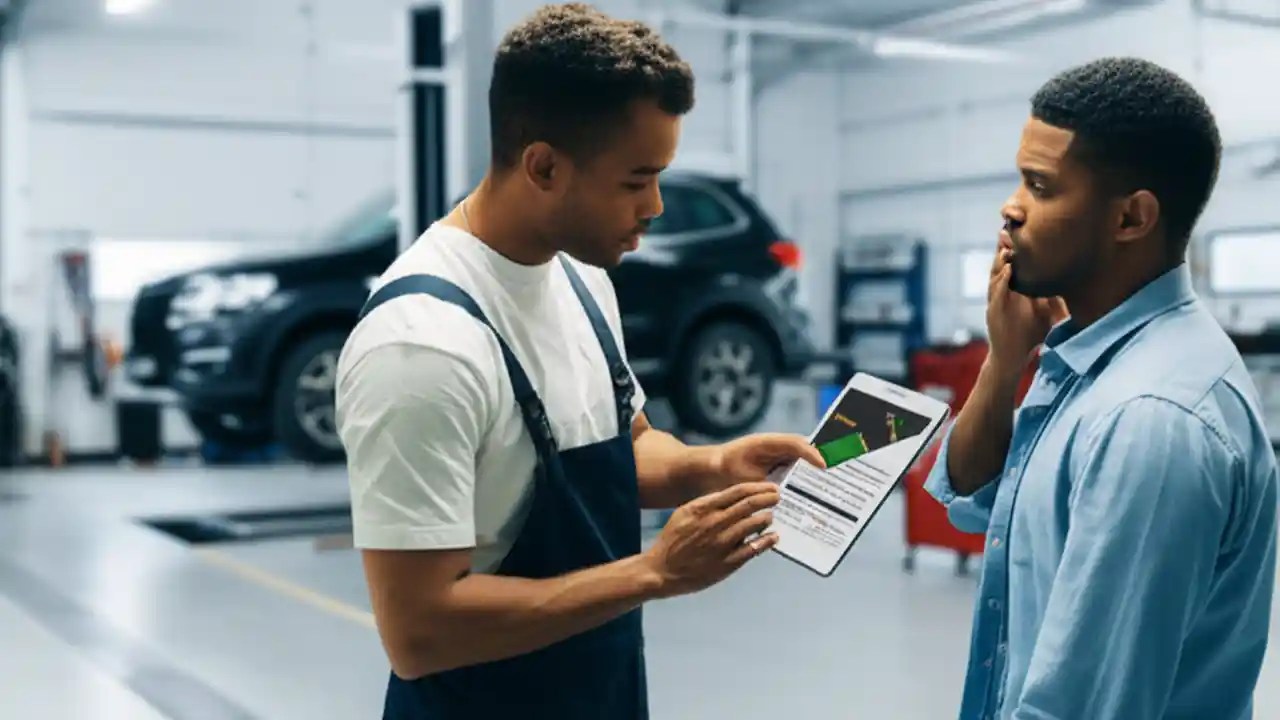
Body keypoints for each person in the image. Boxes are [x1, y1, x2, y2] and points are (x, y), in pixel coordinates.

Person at [333, 4, 824, 719]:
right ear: (543, 166)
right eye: (634, 180)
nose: (654, 206)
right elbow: (420, 631)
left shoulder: (582, 279)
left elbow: (622, 446)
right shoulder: (422, 346)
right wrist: (653, 572)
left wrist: (710, 468)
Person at [926, 56, 1278, 719]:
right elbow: (971, 501)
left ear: (1131, 219)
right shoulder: (1088, 361)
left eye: (1040, 185)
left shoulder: (1151, 420)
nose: (1011, 207)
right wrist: (1005, 364)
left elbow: (1085, 707)